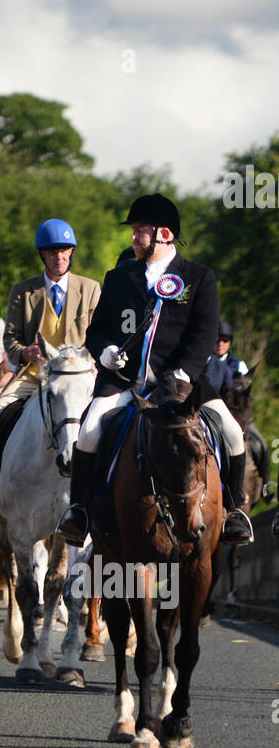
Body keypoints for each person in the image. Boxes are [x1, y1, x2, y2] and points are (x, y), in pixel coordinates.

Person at [55, 194, 253, 546]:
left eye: (140, 230)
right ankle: (79, 511)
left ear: (164, 233)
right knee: (88, 432)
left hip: (180, 383)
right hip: (122, 381)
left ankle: (235, 511)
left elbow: (204, 333)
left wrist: (185, 372)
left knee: (232, 432)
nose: (134, 237)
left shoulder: (199, 278)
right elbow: (96, 330)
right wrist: (105, 352)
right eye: (133, 230)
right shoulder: (119, 277)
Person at [0, 219, 101, 476]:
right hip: (34, 374)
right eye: (52, 251)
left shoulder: (91, 289)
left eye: (64, 250)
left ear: (71, 252)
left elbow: (99, 336)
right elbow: (10, 338)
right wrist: (24, 353)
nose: (59, 256)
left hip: (77, 377)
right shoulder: (22, 291)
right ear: (42, 255)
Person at [204, 322, 273, 505]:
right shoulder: (203, 360)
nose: (220, 343)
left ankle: (266, 487)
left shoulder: (238, 364)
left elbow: (246, 392)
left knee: (261, 445)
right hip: (209, 413)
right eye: (218, 339)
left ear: (230, 342)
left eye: (225, 340)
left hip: (236, 416)